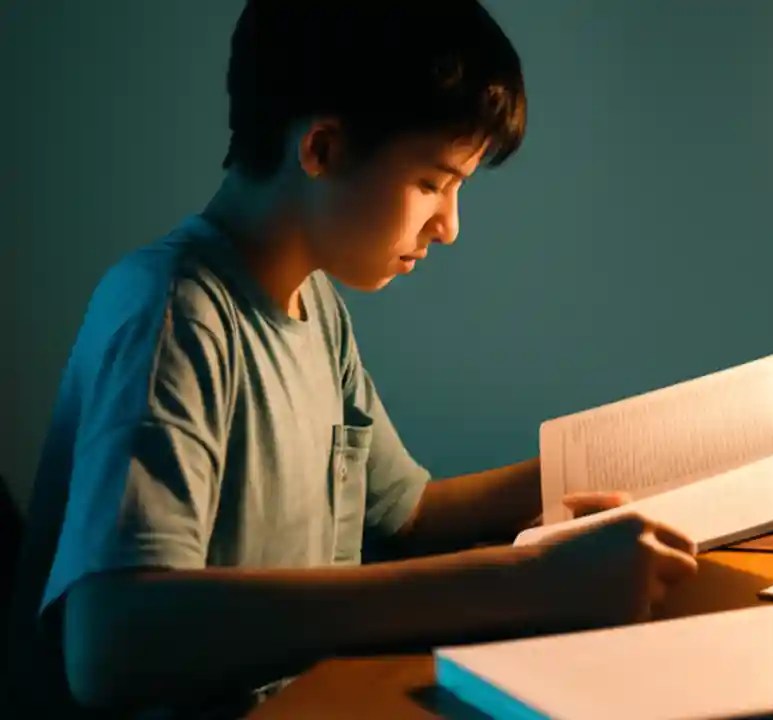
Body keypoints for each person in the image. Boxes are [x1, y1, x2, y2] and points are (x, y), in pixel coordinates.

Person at [4, 1, 698, 716]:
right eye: (433, 183)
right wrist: (526, 580)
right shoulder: (173, 312)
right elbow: (113, 640)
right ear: (323, 149)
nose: (449, 226)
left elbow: (409, 516)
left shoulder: (317, 306)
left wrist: (636, 461)